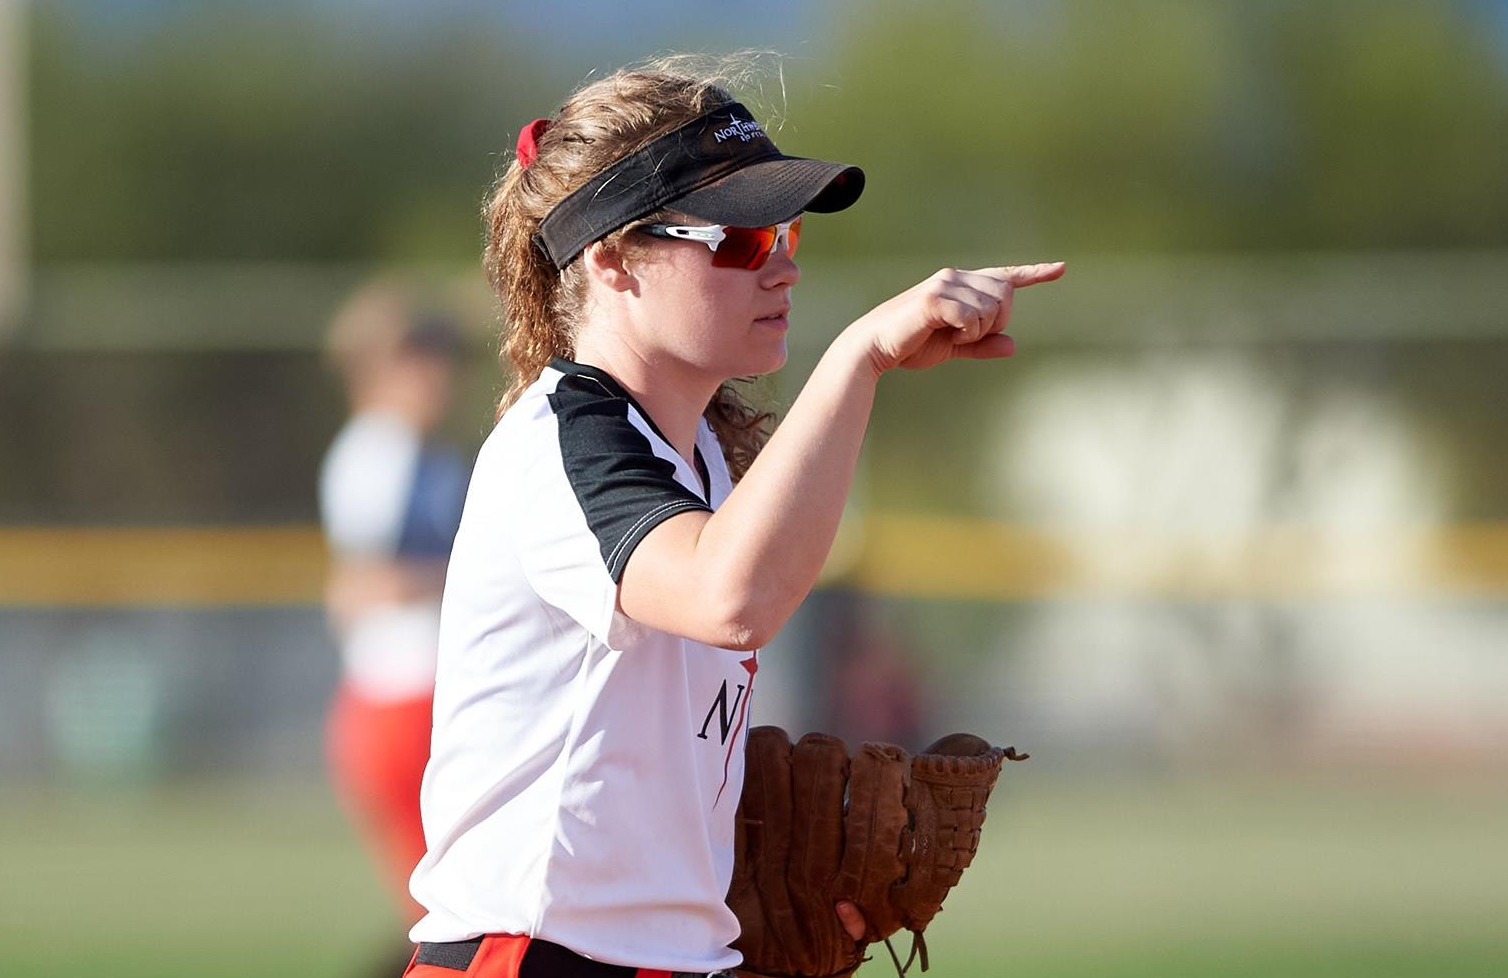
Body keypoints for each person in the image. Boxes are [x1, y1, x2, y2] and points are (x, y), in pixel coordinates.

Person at [406, 54, 1061, 978]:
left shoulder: (707, 456)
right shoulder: (563, 442)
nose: (782, 266)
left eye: (787, 232)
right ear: (610, 256)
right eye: (739, 240)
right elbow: (729, 597)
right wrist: (857, 358)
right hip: (535, 960)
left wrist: (725, 885)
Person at [318, 281, 469, 956]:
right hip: (405, 703)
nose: (439, 374)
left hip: (418, 702)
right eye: (420, 357)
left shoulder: (421, 452)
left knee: (459, 912)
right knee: (453, 918)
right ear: (376, 370)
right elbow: (363, 586)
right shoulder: (380, 451)